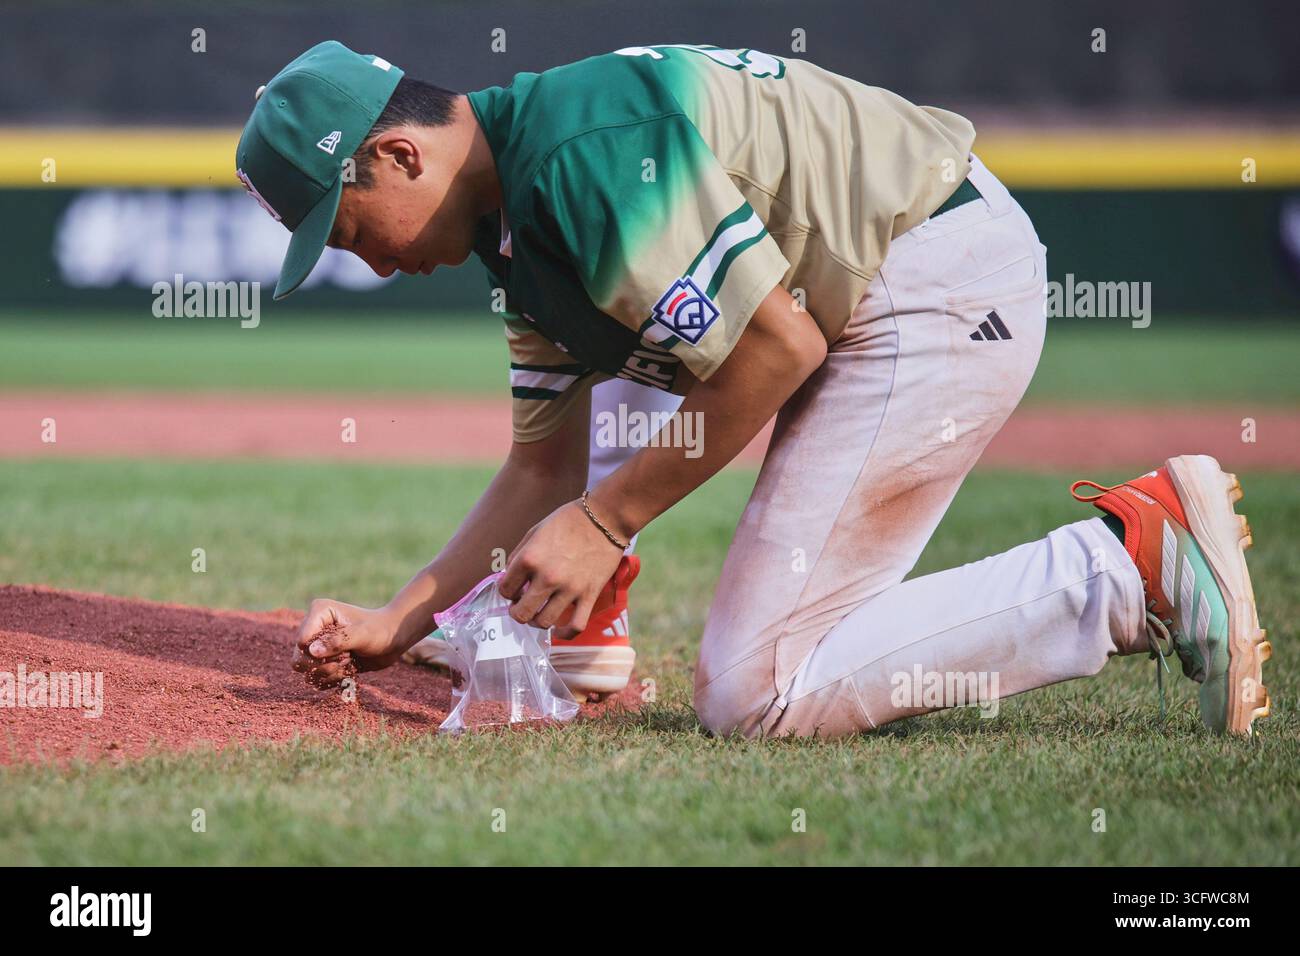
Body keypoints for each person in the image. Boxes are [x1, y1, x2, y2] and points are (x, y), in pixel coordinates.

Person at [238, 41, 1269, 736]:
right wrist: (399, 618)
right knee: (625, 415)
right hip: (873, 286)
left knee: (756, 692)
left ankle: (1129, 566)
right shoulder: (521, 218)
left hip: (930, 282)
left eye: (346, 227)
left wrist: (605, 520)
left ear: (397, 154)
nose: (365, 262)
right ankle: (578, 638)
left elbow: (774, 350)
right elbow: (539, 463)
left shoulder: (575, 158)